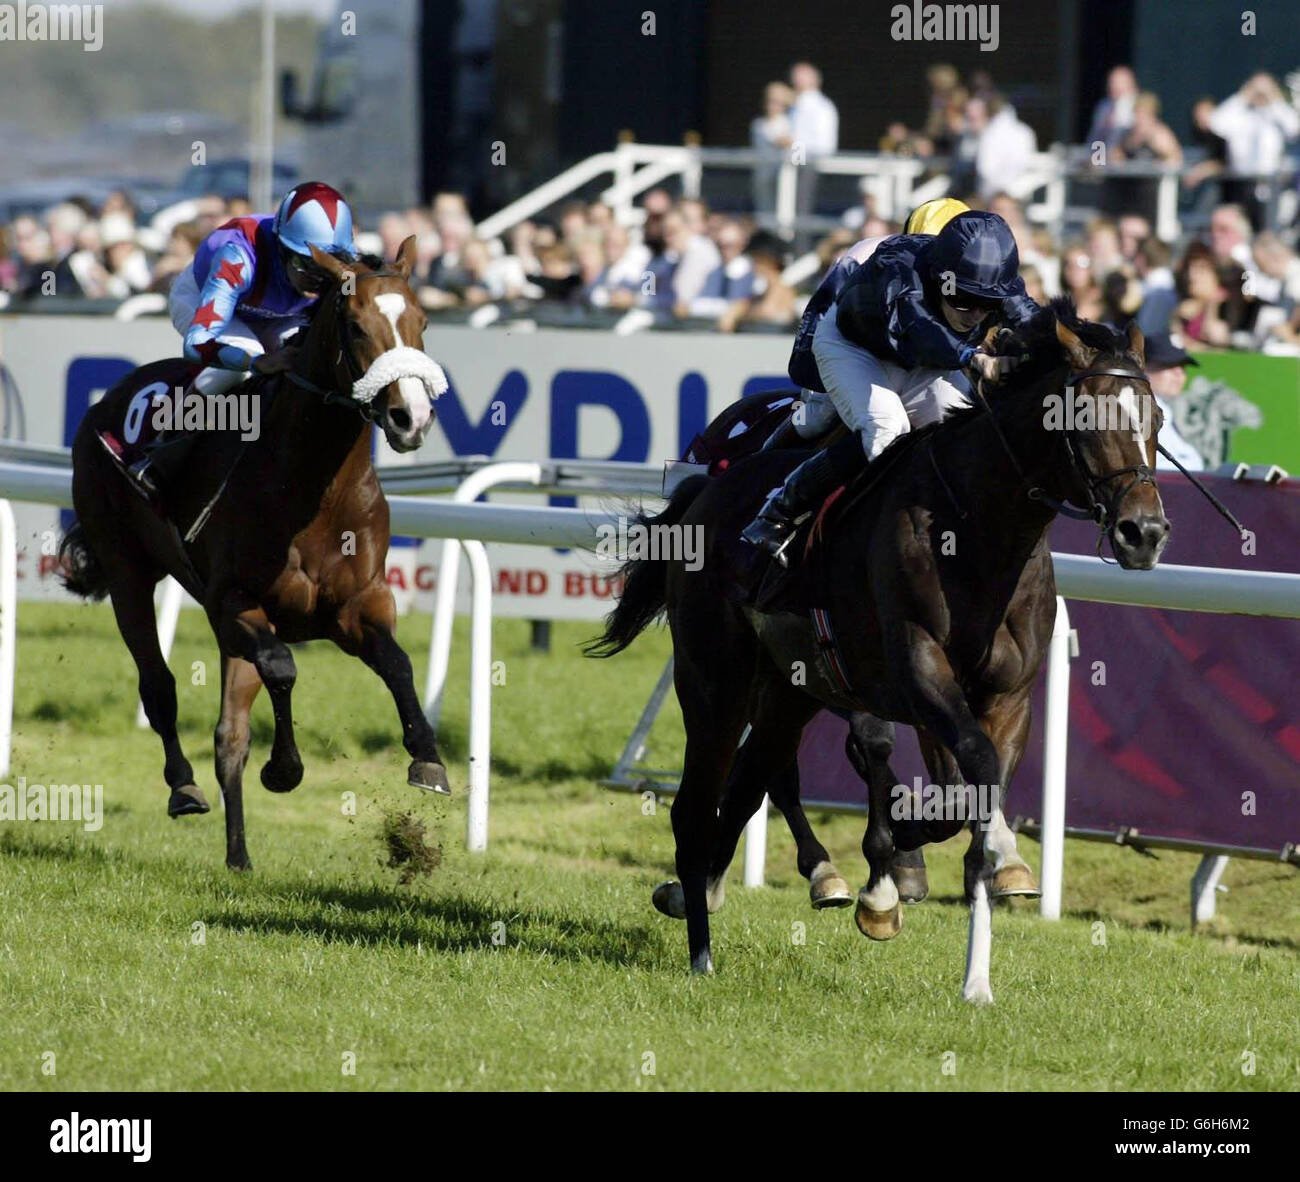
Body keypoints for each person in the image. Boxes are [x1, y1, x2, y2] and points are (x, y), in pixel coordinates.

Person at [743, 208, 1034, 563]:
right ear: (939, 275)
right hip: (852, 346)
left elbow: (1037, 322)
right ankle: (775, 515)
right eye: (961, 299)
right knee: (886, 426)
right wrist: (977, 358)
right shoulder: (900, 268)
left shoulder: (994, 280)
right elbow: (922, 330)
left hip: (917, 358)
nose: (974, 313)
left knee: (959, 426)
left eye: (986, 304)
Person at [128, 180, 357, 499]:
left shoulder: (339, 269)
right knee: (237, 366)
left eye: (328, 268)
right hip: (204, 300)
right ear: (282, 248)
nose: (316, 281)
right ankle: (163, 453)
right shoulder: (237, 256)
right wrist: (257, 362)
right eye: (306, 263)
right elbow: (198, 345)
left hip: (276, 314)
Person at [1144, 331, 1204, 472]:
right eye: (1168, 365)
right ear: (1142, 367)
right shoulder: (1133, 410)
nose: (1179, 374)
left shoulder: (1163, 408)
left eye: (1182, 367)